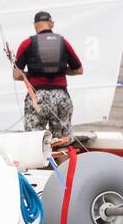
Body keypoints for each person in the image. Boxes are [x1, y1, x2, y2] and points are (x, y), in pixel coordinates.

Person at [12, 10, 82, 140]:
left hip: (37, 98)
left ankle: (40, 159)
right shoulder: (63, 42)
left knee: (34, 141)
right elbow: (79, 70)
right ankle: (62, 159)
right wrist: (61, 70)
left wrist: (31, 74)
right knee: (62, 141)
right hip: (61, 97)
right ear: (52, 24)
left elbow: (16, 75)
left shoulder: (27, 43)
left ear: (35, 25)